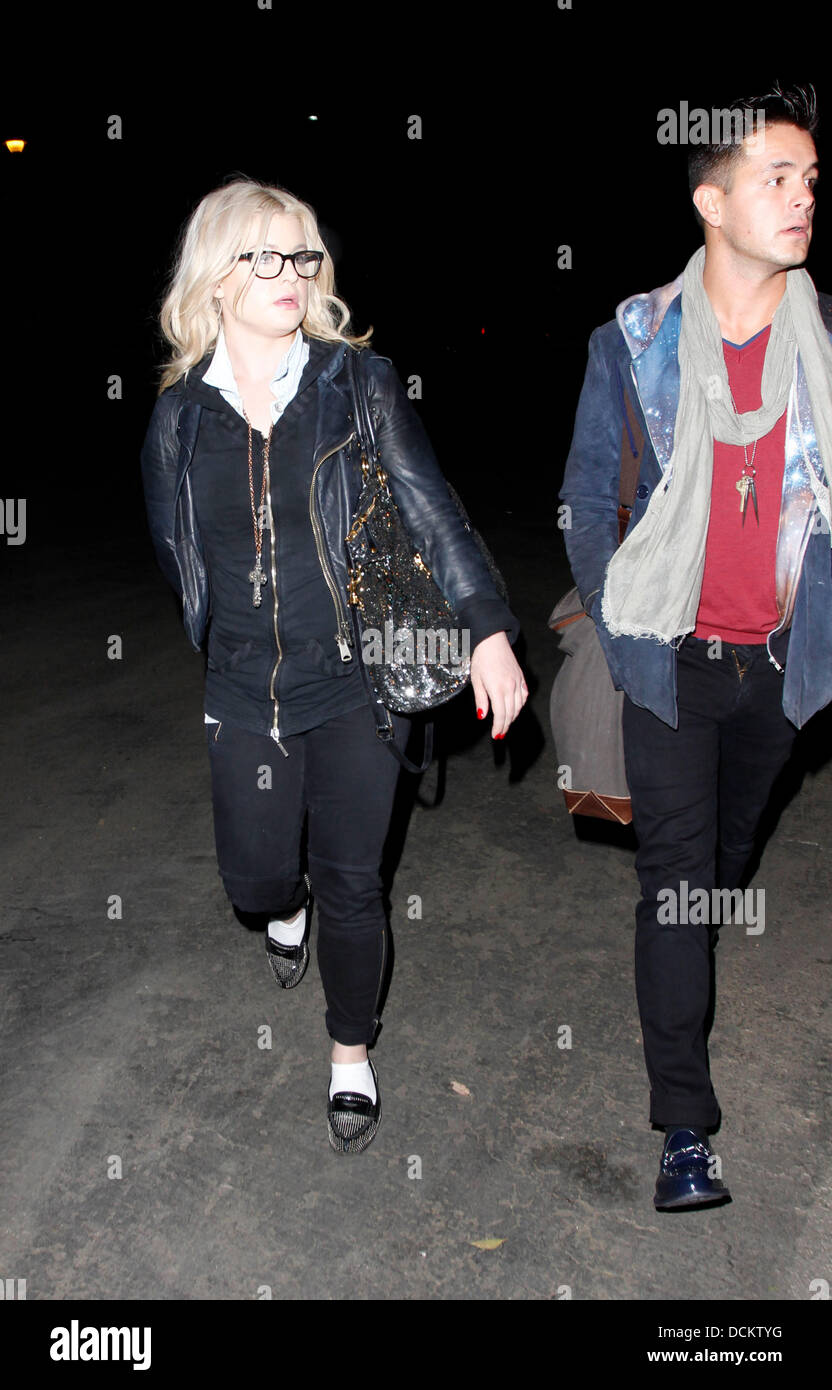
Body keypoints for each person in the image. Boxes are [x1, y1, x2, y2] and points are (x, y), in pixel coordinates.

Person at [141, 178, 527, 1154]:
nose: (288, 273)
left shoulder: (358, 382)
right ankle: (287, 903)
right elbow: (178, 549)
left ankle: (349, 1050)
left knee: (355, 881)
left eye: (302, 255)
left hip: (358, 682)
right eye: (262, 255)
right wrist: (225, 642)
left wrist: (485, 627)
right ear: (216, 278)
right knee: (257, 882)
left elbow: (431, 505)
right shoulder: (180, 419)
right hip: (243, 691)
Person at [560, 83, 831, 1208]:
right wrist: (627, 646)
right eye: (777, 178)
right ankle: (684, 1131)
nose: (802, 198)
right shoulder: (632, 343)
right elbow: (583, 500)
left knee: (718, 874)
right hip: (670, 664)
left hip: (780, 671)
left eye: (811, 180)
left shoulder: (827, 342)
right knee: (676, 893)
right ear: (711, 201)